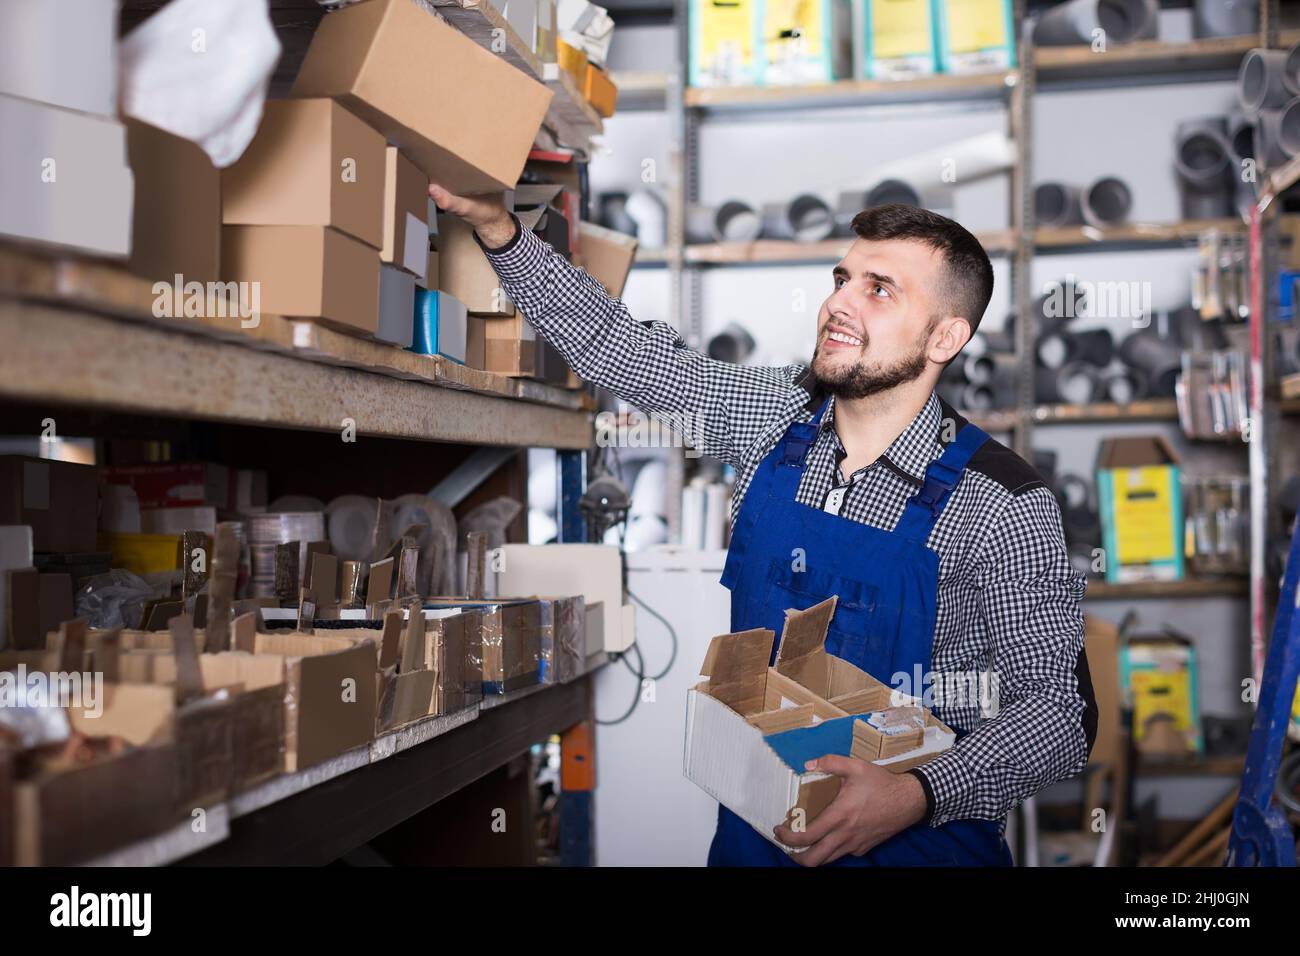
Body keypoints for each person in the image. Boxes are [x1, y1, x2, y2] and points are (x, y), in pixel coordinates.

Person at [431, 183, 1097, 867]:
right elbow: (618, 349)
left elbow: (1056, 716)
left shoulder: (1002, 501)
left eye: (879, 289)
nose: (839, 302)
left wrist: (916, 793)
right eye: (842, 279)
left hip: (919, 841)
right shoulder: (773, 418)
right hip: (761, 830)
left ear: (945, 336)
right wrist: (501, 232)